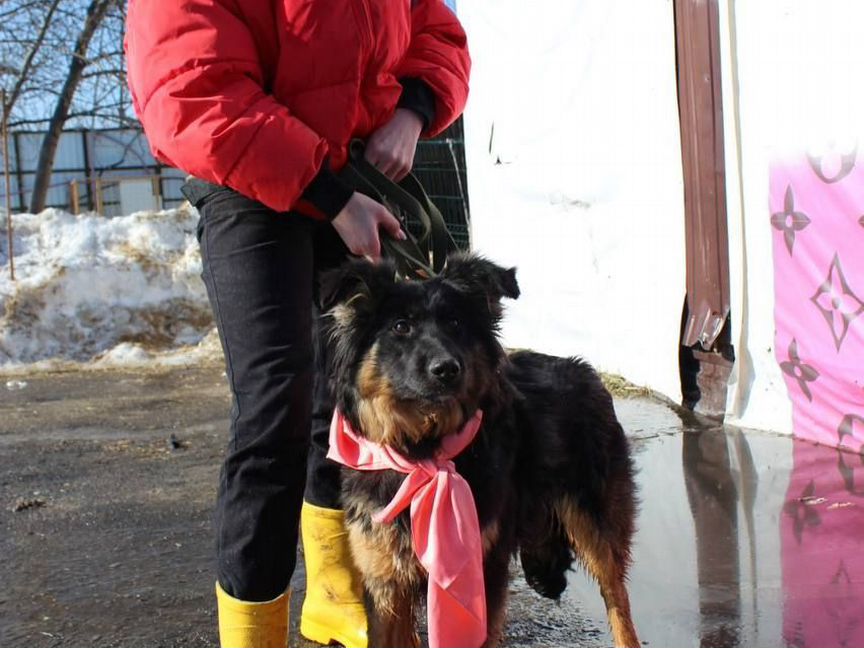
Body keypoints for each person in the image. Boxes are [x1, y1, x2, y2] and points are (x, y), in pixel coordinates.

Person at [124, 2, 470, 647]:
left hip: (359, 170)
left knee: (344, 405)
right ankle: (254, 636)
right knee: (274, 406)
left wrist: (411, 110)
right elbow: (190, 86)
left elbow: (436, 29)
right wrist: (330, 196)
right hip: (248, 180)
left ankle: (336, 598)